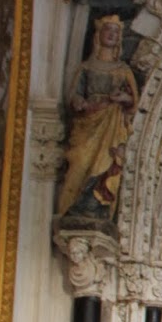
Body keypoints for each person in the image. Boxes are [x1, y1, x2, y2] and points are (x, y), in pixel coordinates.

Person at [57, 14, 140, 221]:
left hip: (112, 122)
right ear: (99, 34)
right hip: (88, 123)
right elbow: (75, 94)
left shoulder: (123, 70)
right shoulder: (86, 67)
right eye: (107, 30)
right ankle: (71, 208)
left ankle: (95, 208)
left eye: (115, 31)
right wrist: (78, 101)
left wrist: (125, 98)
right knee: (80, 162)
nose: (111, 34)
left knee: (107, 163)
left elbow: (134, 104)